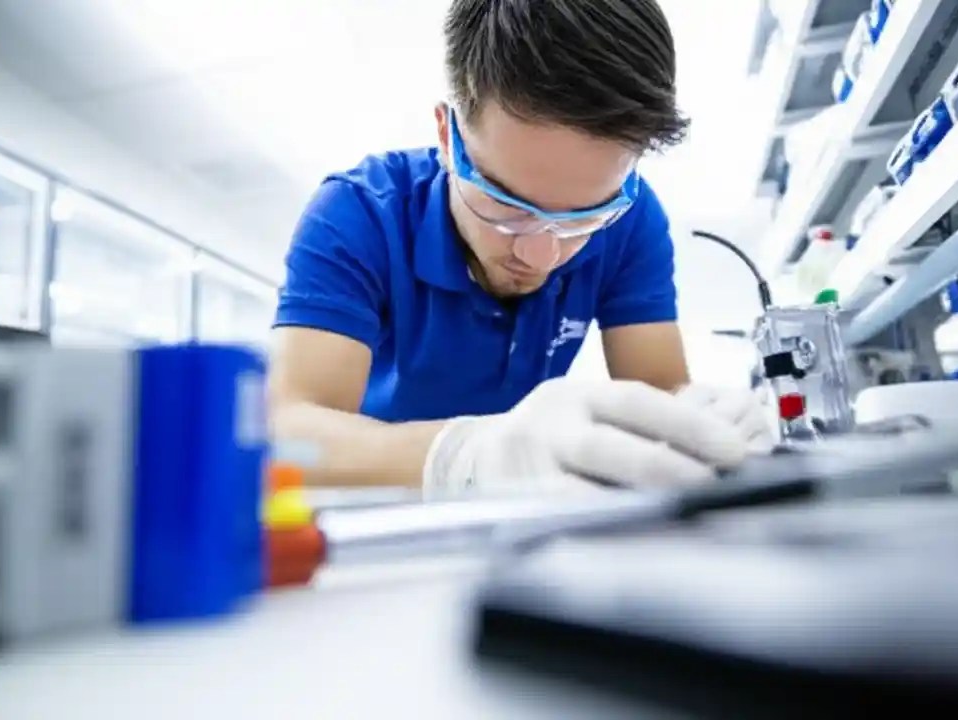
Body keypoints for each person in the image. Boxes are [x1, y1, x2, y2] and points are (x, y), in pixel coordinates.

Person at [269, 0, 773, 498]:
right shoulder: (357, 214)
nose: (542, 256)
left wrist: (705, 425)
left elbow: (661, 399)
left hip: (523, 525)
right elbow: (285, 444)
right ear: (448, 136)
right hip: (378, 521)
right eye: (506, 206)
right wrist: (460, 456)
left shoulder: (633, 219)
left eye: (584, 218)